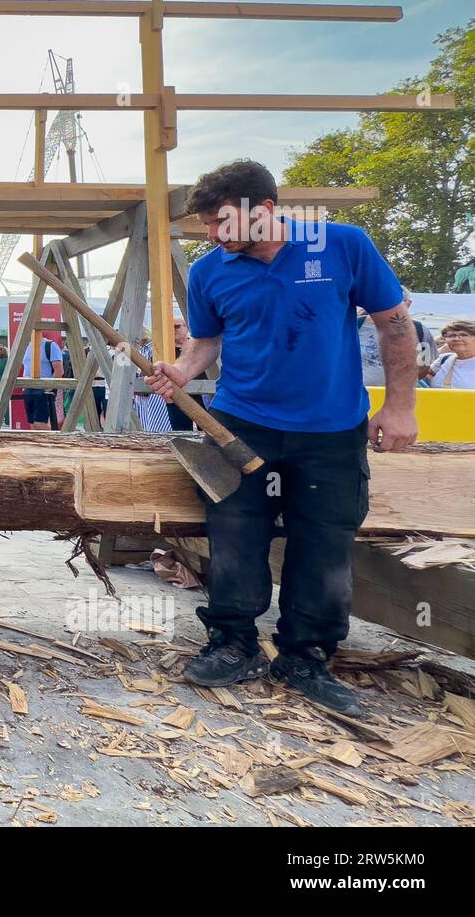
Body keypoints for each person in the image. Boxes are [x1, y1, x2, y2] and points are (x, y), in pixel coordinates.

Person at [146, 159, 417, 716]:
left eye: (222, 223)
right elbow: (205, 343)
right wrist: (181, 370)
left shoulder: (343, 245)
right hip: (240, 426)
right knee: (235, 532)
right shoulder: (209, 271)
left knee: (324, 542)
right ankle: (232, 643)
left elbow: (394, 323)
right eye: (206, 226)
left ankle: (305, 657)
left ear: (264, 211)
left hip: (333, 430)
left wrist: (400, 406)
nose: (214, 236)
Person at [359, 287, 437, 387]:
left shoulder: (419, 330)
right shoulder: (354, 325)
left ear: (408, 304)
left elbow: (423, 368)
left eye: (396, 300)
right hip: (357, 395)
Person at [20, 335, 64, 430]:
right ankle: (39, 444)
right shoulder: (27, 346)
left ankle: (54, 442)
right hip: (28, 389)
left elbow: (59, 370)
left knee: (40, 422)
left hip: (42, 389)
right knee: (32, 423)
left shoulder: (50, 345)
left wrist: (48, 388)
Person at [426, 320, 475, 388]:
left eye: (463, 335)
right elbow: (423, 373)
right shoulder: (443, 359)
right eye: (451, 335)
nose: (457, 339)